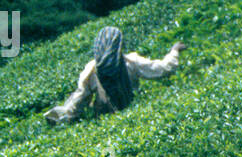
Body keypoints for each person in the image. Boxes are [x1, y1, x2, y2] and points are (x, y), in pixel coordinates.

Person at [43, 26, 186, 125]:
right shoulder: (130, 62)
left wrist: (59, 117)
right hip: (133, 115)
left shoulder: (92, 69)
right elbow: (162, 69)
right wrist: (174, 51)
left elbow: (79, 101)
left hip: (103, 122)